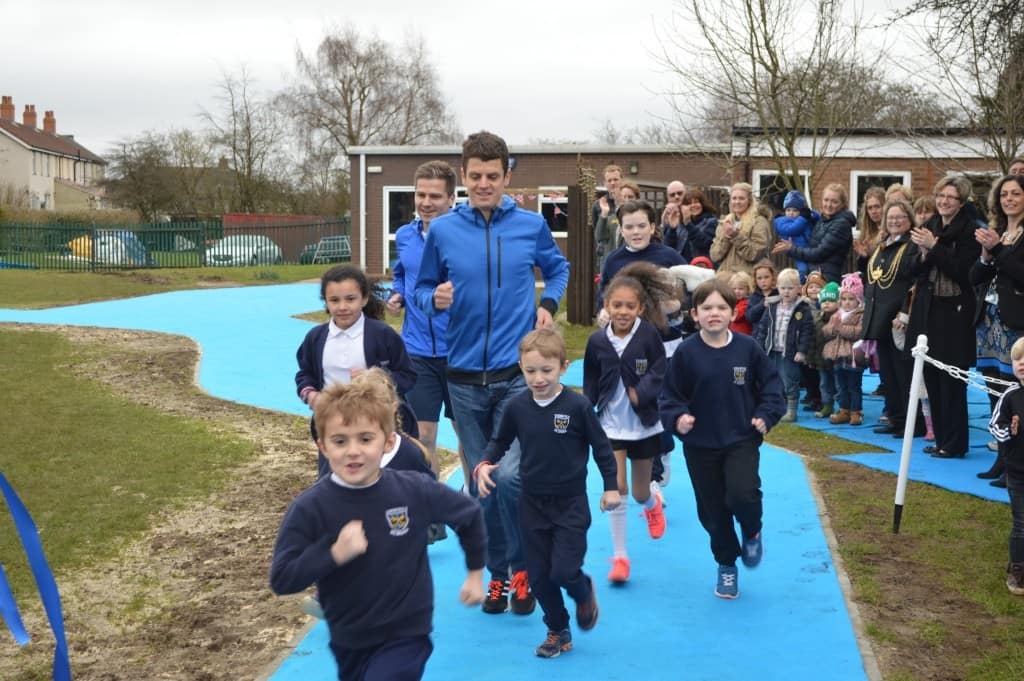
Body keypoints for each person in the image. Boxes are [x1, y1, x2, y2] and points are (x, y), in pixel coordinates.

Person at [413, 130, 569, 615]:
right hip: (461, 380)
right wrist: (432, 298)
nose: (484, 184)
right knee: (483, 484)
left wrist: (547, 303)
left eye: (493, 176)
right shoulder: (442, 232)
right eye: (475, 175)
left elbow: (558, 270)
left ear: (506, 176)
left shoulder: (529, 226)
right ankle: (499, 574)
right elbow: (420, 290)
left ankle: (522, 569)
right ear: (464, 176)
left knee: (513, 478)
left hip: (515, 378)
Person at [268, 380, 486, 681]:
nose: (353, 451)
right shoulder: (311, 507)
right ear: (323, 445)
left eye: (365, 439)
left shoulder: (412, 490)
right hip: (348, 637)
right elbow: (282, 578)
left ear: (387, 441)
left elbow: (469, 514)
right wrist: (333, 554)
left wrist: (475, 573)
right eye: (340, 441)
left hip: (406, 632)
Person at [475, 329, 621, 658]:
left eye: (547, 370)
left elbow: (601, 449)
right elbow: (500, 441)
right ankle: (557, 629)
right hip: (532, 504)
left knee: (564, 571)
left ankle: (584, 592)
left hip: (570, 505)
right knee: (540, 578)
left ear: (563, 367)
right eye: (530, 371)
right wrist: (485, 463)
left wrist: (611, 487)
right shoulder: (517, 407)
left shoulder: (577, 406)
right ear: (520, 368)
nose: (538, 378)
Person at [660, 279, 785, 599]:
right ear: (695, 314)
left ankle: (752, 529)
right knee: (713, 510)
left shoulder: (748, 349)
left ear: (733, 313)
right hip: (700, 445)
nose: (714, 313)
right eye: (707, 308)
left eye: (721, 308)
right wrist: (677, 419)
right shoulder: (686, 354)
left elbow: (772, 389)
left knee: (742, 494)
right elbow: (669, 397)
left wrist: (765, 415)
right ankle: (726, 564)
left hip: (740, 438)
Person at [584, 268, 669, 583]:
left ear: (640, 309)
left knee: (639, 490)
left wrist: (640, 392)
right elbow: (591, 378)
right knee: (617, 489)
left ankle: (651, 505)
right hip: (610, 425)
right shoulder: (597, 341)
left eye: (629, 306)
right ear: (606, 305)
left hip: (643, 424)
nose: (622, 312)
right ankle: (620, 557)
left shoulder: (648, 335)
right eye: (616, 305)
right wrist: (586, 407)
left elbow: (660, 370)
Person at [296, 264, 417, 480]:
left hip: (376, 425)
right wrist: (310, 394)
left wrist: (378, 380)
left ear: (364, 299)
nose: (343, 307)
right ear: (325, 302)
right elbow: (305, 373)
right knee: (331, 481)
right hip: (334, 425)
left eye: (350, 299)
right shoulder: (316, 338)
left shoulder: (382, 335)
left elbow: (408, 375)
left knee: (385, 480)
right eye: (334, 300)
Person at [388, 160, 458, 477]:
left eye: (435, 196)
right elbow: (402, 273)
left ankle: (474, 502)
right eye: (421, 195)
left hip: (461, 352)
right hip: (417, 352)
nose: (426, 203)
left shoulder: (465, 236)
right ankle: (432, 512)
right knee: (424, 436)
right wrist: (398, 294)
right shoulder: (405, 235)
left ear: (451, 199)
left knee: (467, 437)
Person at [908, 175, 983, 459]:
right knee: (931, 376)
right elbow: (912, 267)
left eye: (950, 198)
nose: (943, 201)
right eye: (941, 196)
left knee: (951, 381)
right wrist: (924, 254)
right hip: (928, 309)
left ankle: (954, 443)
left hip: (955, 313)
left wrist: (935, 248)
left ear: (961, 202)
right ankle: (940, 438)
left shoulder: (969, 232)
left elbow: (964, 272)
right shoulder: (929, 227)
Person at [972, 174, 1024, 487]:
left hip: (1014, 323)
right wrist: (986, 255)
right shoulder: (999, 230)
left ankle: (1015, 464)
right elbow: (974, 276)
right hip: (988, 322)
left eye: (1016, 193)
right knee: (995, 394)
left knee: (1013, 394)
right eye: (1004, 194)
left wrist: (1000, 251)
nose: (1009, 199)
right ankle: (1001, 458)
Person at [862, 199, 921, 438]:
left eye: (900, 217)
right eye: (891, 217)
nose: (895, 221)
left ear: (909, 220)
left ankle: (912, 423)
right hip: (879, 317)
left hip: (898, 318)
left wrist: (905, 313)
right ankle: (896, 418)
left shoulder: (911, 246)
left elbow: (914, 282)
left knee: (903, 374)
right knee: (888, 374)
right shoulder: (883, 245)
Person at [753, 267, 814, 422]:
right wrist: (760, 346)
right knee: (773, 379)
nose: (786, 292)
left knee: (790, 380)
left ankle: (792, 410)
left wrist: (802, 351)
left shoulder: (803, 308)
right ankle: (777, 407)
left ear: (799, 289)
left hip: (789, 351)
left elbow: (807, 332)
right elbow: (763, 327)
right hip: (772, 350)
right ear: (778, 288)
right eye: (783, 288)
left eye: (791, 288)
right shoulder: (772, 306)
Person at [988, 336, 1024, 595]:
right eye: (1016, 359)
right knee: (1021, 521)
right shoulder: (1010, 395)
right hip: (1018, 471)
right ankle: (1018, 568)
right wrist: (1009, 434)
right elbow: (995, 426)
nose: (1021, 363)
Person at [773, 183, 855, 284]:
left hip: (826, 278)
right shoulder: (824, 220)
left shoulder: (841, 224)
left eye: (834, 202)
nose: (828, 205)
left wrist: (792, 248)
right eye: (826, 200)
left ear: (842, 204)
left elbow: (819, 253)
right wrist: (789, 248)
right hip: (815, 275)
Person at [821, 273, 866, 426]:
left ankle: (856, 411)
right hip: (837, 356)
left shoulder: (861, 315)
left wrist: (840, 327)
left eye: (851, 299)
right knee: (841, 385)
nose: (847, 303)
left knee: (854, 385)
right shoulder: (837, 314)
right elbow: (826, 332)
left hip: (853, 357)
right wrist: (834, 327)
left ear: (858, 300)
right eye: (844, 299)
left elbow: (858, 332)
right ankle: (844, 410)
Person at [710, 182, 770, 276]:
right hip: (724, 277)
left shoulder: (759, 221)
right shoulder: (725, 222)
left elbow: (754, 254)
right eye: (734, 198)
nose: (737, 202)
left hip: (746, 279)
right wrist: (726, 238)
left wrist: (736, 236)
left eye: (741, 198)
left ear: (749, 201)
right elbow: (715, 256)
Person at [772, 190, 818, 281]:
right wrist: (803, 217)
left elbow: (818, 217)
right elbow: (793, 229)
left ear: (800, 211)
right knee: (803, 270)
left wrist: (811, 214)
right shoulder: (782, 222)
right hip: (797, 252)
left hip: (810, 250)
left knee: (815, 271)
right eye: (788, 210)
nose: (791, 213)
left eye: (795, 210)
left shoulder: (803, 219)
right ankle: (801, 287)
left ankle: (814, 287)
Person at [799, 271, 827, 412]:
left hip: (821, 346)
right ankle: (813, 398)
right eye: (811, 287)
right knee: (809, 374)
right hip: (809, 345)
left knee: (821, 375)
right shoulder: (803, 305)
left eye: (818, 287)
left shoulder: (826, 306)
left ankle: (824, 399)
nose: (814, 289)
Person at [814, 282, 840, 418]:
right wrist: (812, 358)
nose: (827, 304)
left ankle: (842, 407)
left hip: (836, 359)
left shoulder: (840, 319)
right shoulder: (818, 319)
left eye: (831, 300)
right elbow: (815, 341)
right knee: (824, 384)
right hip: (822, 360)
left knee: (838, 384)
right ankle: (827, 405)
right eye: (824, 301)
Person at [673, 188, 719, 262]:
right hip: (683, 267)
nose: (693, 205)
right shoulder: (682, 225)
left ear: (702, 204)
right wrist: (671, 229)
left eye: (696, 202)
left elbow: (703, 244)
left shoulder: (711, 222)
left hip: (701, 268)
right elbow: (671, 246)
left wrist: (688, 224)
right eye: (689, 203)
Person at [593, 164, 624, 271]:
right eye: (609, 180)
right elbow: (598, 234)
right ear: (605, 183)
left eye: (615, 179)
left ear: (621, 180)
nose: (613, 183)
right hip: (607, 257)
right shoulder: (599, 205)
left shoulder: (629, 201)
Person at [852, 186, 886, 265]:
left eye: (877, 206)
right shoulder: (866, 234)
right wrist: (864, 256)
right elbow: (864, 269)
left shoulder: (889, 231)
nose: (873, 211)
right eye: (870, 208)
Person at [747, 258, 778, 326]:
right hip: (758, 334)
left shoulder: (778, 293)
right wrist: (762, 305)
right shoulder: (754, 296)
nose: (763, 281)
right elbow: (749, 317)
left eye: (766, 277)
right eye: (759, 278)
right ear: (755, 279)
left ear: (773, 276)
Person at [661, 180, 687, 251]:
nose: (676, 197)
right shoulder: (666, 216)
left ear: (686, 193)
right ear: (668, 198)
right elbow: (667, 246)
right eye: (672, 195)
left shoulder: (694, 213)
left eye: (680, 193)